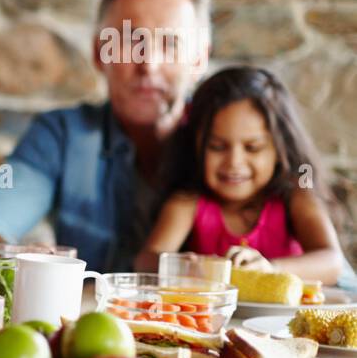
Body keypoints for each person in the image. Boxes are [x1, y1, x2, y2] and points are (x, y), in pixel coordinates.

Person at [0, 0, 212, 273]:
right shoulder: (61, 135)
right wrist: (12, 258)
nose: (147, 63)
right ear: (99, 54)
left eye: (170, 43)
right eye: (127, 42)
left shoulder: (234, 144)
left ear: (199, 58)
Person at [136, 66, 349, 285]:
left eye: (253, 148)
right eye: (217, 147)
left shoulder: (296, 197)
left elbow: (332, 263)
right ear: (195, 146)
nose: (234, 162)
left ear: (280, 149)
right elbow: (145, 260)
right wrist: (182, 265)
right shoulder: (187, 203)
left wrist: (271, 269)